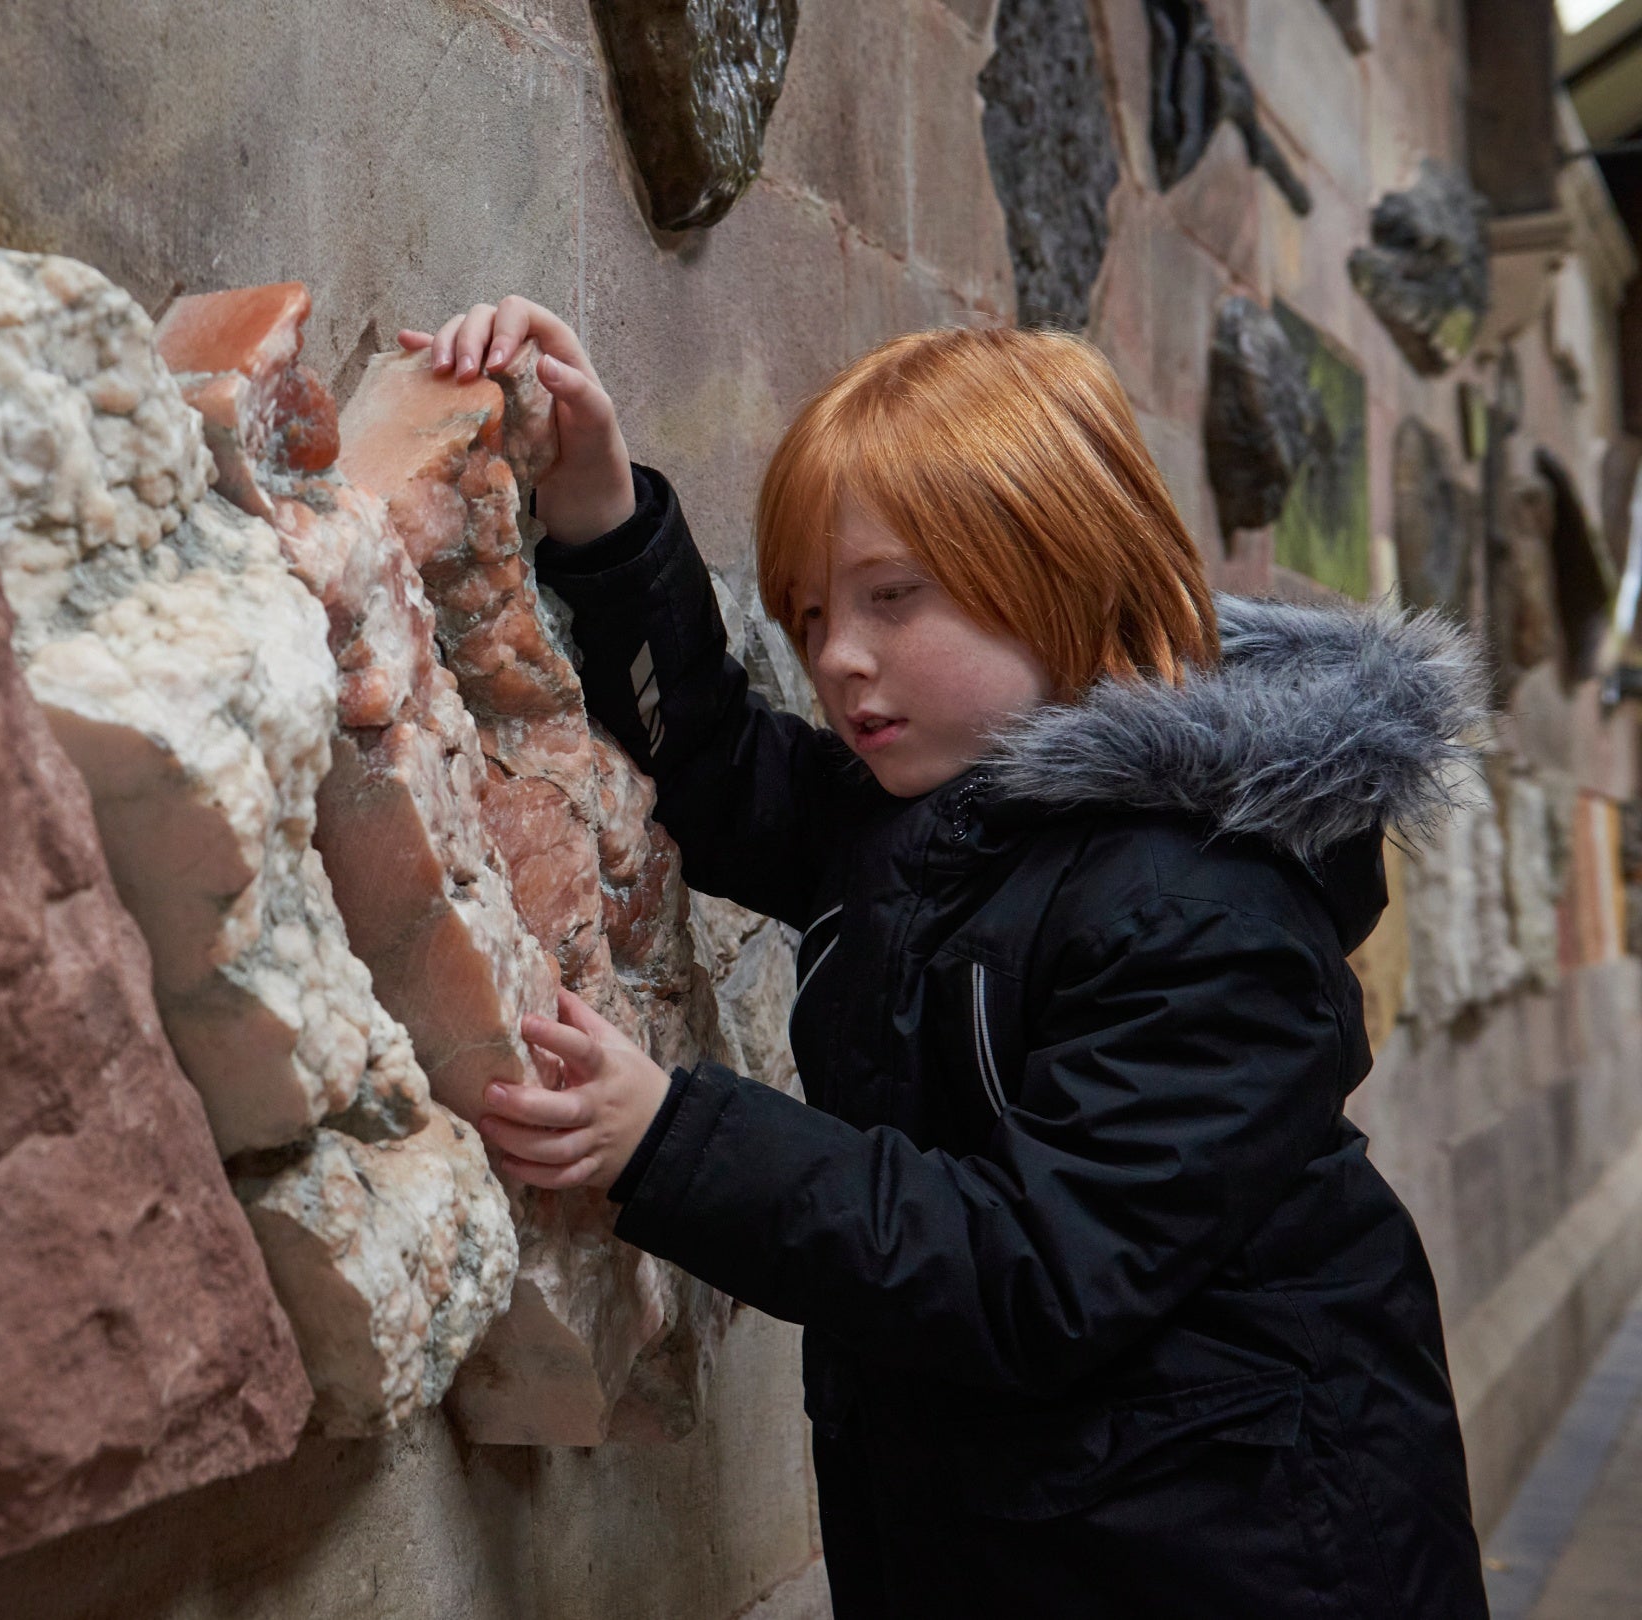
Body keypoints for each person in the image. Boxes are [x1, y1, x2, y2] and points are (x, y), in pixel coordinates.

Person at [399, 299, 1492, 1618]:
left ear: (1058, 565)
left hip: (1238, 1564)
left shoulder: (1203, 907)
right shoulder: (935, 820)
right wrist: (603, 512)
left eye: (893, 597)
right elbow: (720, 770)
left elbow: (1036, 1271)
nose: (837, 655)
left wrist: (673, 1140)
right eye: (811, 612)